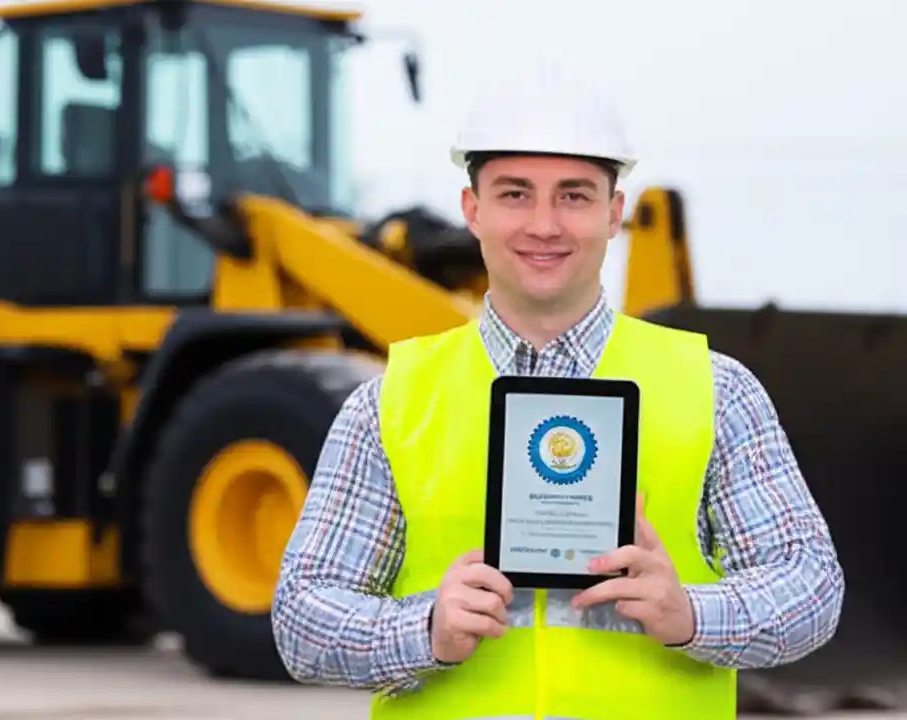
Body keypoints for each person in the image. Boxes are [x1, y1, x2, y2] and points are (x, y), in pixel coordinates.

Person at [270, 65, 845, 720]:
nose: (544, 225)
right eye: (515, 194)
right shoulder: (389, 403)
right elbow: (301, 619)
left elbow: (811, 588)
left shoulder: (717, 391)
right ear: (473, 209)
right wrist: (422, 629)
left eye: (573, 196)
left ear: (613, 213)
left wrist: (690, 613)